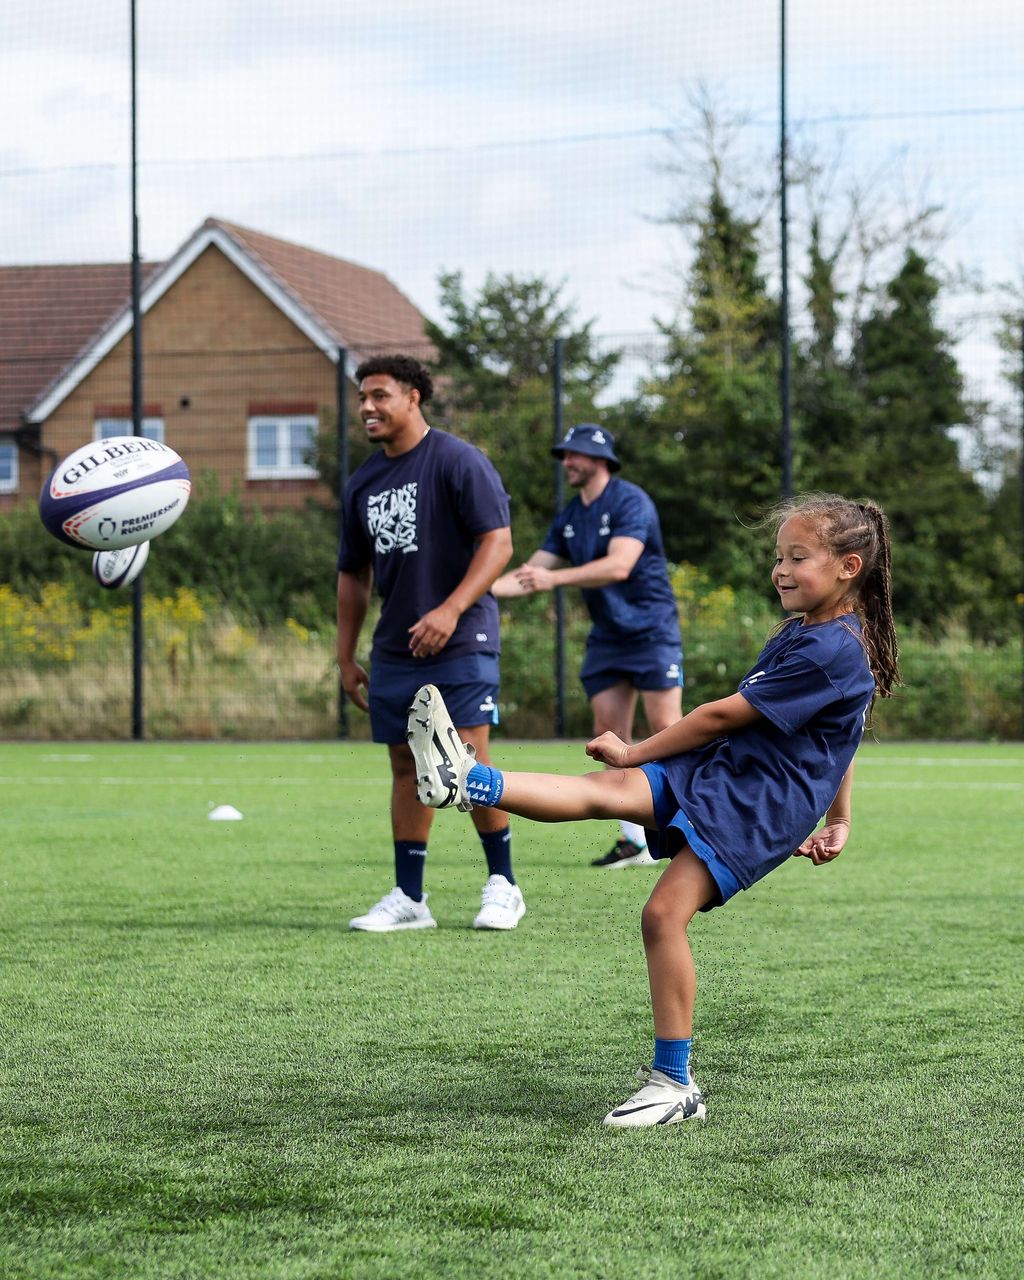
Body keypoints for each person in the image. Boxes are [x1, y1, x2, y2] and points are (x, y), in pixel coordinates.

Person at [407, 494, 899, 1126]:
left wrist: (634, 751)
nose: (779, 569)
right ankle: (467, 782)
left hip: (759, 803)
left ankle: (675, 1084)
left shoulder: (832, 649)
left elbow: (723, 715)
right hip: (732, 769)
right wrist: (839, 819)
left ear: (849, 566)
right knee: (606, 794)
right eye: (778, 556)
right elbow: (842, 742)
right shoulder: (812, 632)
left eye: (797, 557)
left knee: (662, 915)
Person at [337, 354, 526, 932]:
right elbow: (353, 575)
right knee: (405, 765)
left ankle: (504, 884)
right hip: (396, 647)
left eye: (381, 395)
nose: (368, 406)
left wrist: (450, 608)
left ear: (414, 397)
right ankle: (410, 898)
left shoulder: (458, 461)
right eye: (363, 397)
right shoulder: (363, 481)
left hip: (462, 636)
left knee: (466, 759)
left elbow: (498, 543)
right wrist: (344, 655)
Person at [492, 422, 683, 869]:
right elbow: (529, 573)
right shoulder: (570, 516)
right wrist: (471, 595)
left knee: (666, 730)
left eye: (574, 455)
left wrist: (552, 579)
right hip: (607, 638)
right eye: (564, 456)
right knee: (608, 735)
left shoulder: (631, 501)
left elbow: (619, 566)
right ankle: (634, 841)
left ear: (599, 460)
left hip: (652, 631)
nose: (567, 463)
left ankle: (684, 828)